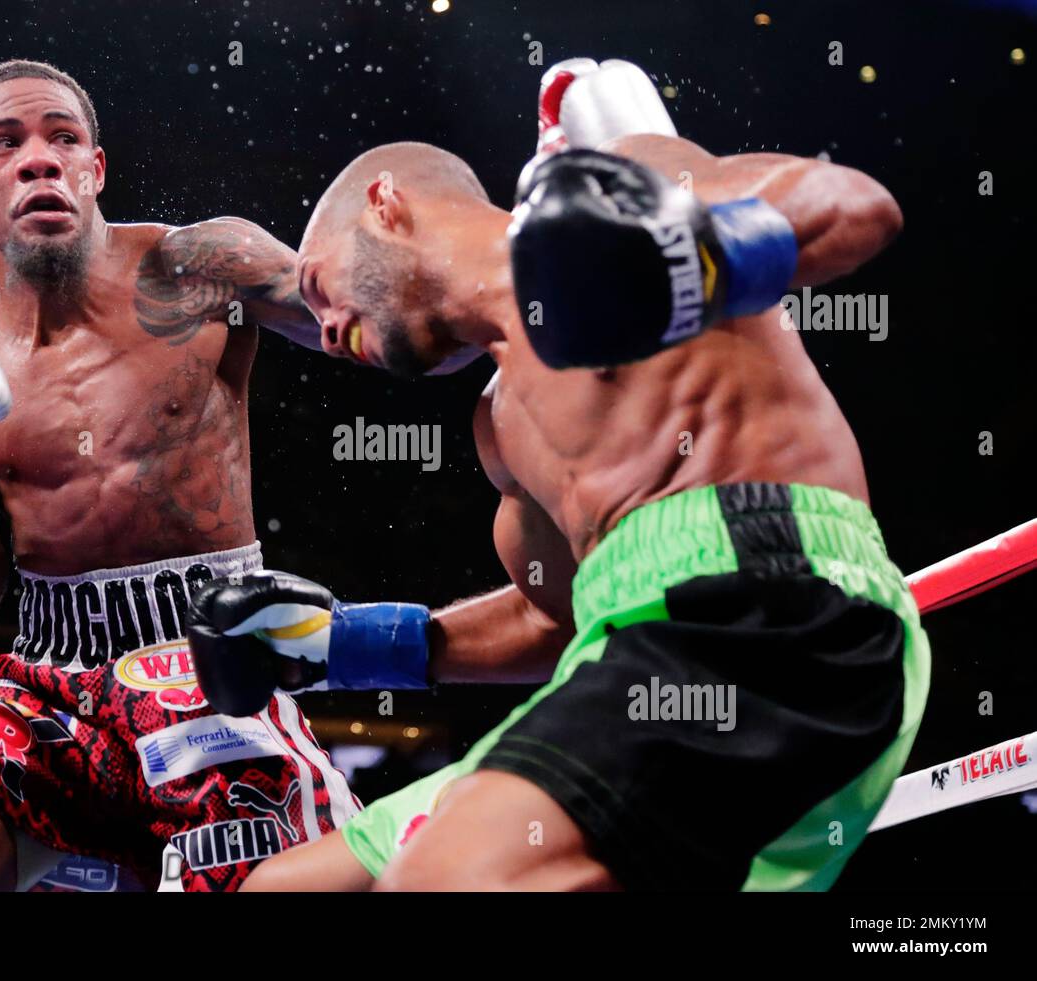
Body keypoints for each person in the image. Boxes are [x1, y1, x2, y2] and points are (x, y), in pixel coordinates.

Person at [187, 59, 929, 891]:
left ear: (385, 205)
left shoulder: (612, 196)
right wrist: (341, 643)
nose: (322, 331)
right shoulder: (498, 422)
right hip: (626, 655)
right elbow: (558, 620)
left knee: (451, 875)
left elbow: (857, 206)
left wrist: (677, 259)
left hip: (770, 606)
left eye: (319, 286)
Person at [0, 59, 357, 892]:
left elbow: (366, 317)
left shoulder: (200, 268)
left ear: (95, 169)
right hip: (45, 687)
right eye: (6, 143)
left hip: (209, 662)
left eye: (64, 139)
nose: (40, 159)